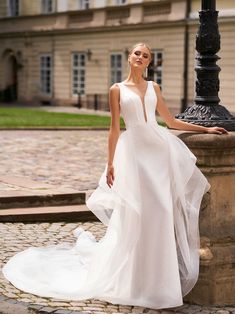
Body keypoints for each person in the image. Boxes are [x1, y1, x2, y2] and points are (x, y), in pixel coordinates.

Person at [2, 43, 228, 310]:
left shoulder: (155, 88)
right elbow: (113, 129)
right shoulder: (116, 90)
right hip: (134, 156)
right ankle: (135, 282)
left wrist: (207, 128)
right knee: (137, 214)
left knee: (160, 213)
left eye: (146, 56)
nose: (140, 58)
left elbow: (170, 121)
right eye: (137, 53)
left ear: (148, 63)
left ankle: (160, 285)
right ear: (129, 57)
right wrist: (110, 164)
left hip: (159, 153)